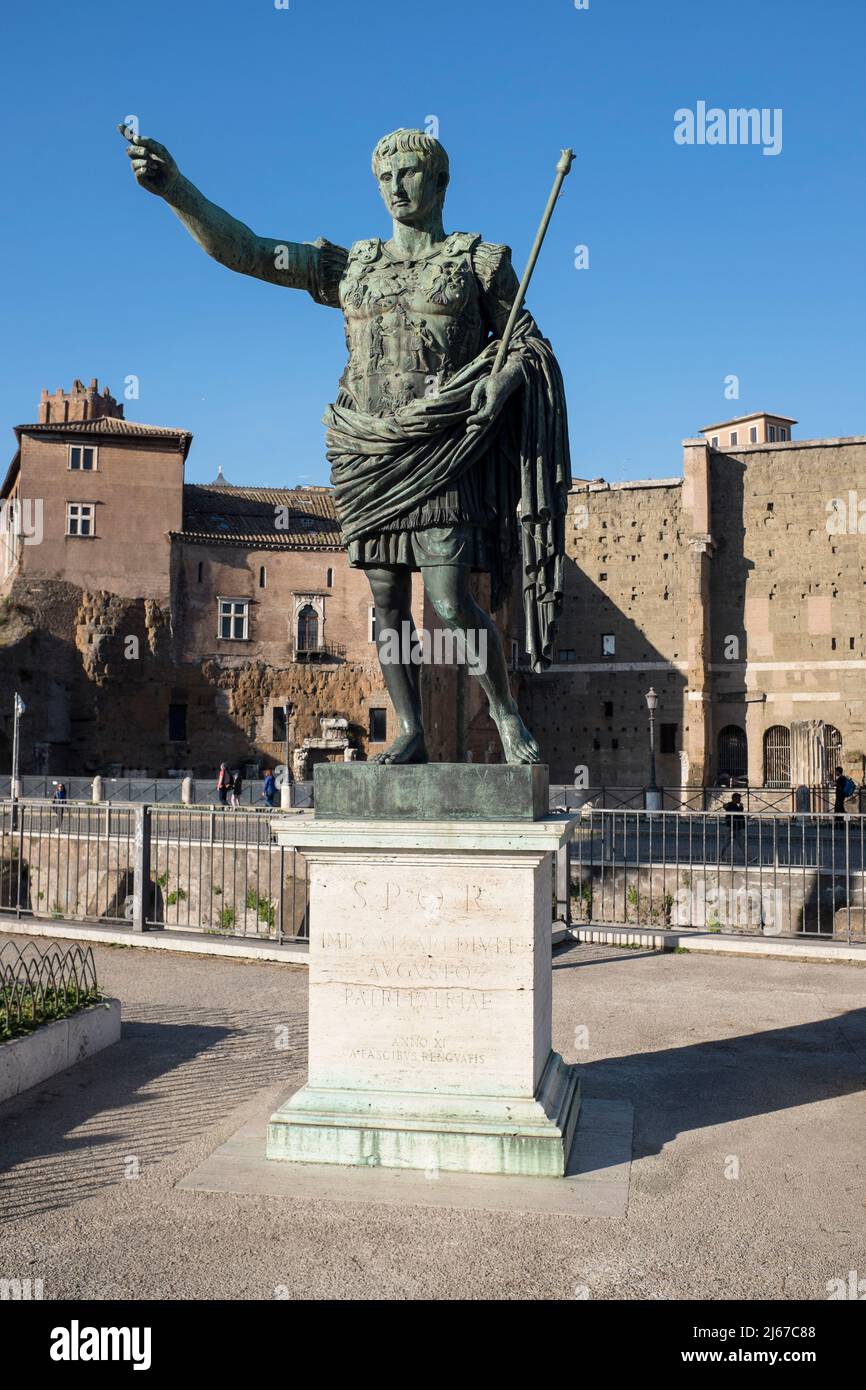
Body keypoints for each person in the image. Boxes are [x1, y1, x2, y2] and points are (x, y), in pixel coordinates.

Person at [122, 126, 570, 766]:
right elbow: (248, 251)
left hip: (441, 452)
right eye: (385, 178)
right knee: (385, 599)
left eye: (411, 174)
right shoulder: (353, 267)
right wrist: (176, 190)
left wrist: (501, 380)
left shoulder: (479, 263)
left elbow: (529, 344)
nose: (397, 188)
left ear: (441, 181)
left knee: (447, 597)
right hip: (365, 454)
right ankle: (411, 729)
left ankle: (504, 715)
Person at [722, 792, 746, 862]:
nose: (740, 799)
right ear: (734, 798)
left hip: (736, 827)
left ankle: (747, 857)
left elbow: (739, 815)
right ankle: (721, 855)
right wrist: (740, 808)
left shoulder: (735, 805)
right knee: (728, 843)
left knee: (741, 843)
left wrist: (741, 808)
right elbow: (736, 814)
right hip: (732, 827)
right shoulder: (731, 805)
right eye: (739, 798)